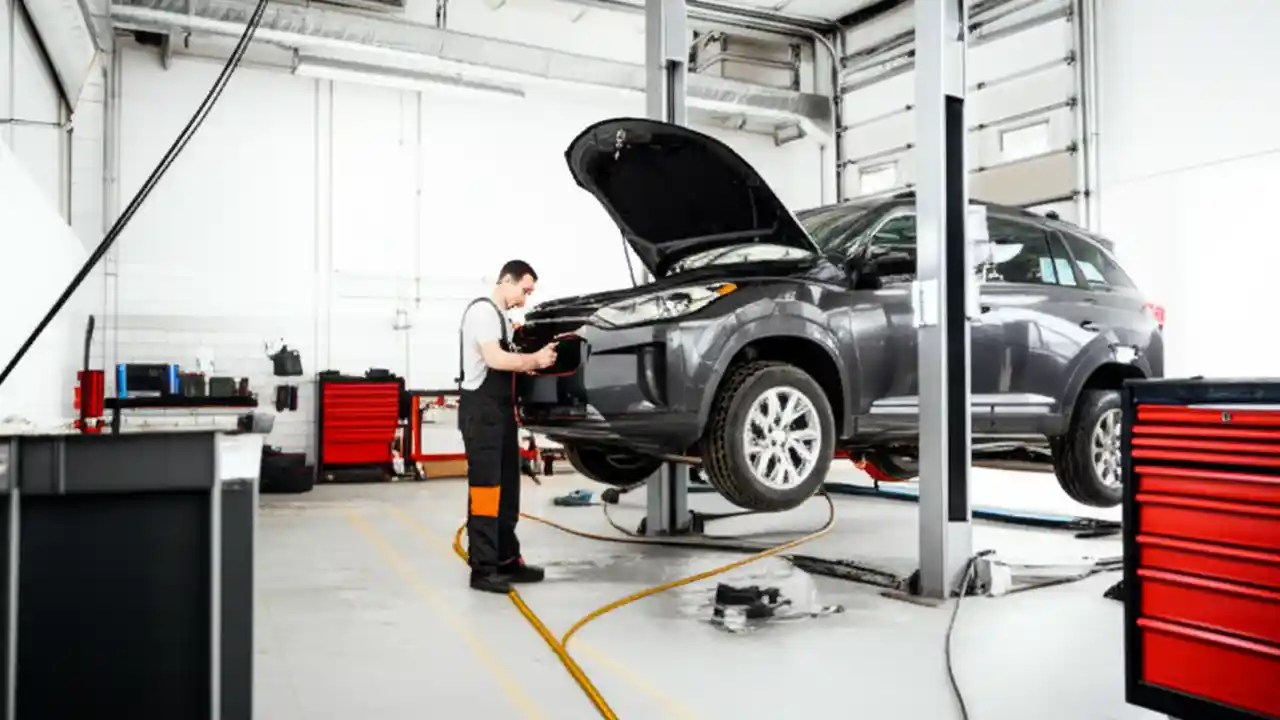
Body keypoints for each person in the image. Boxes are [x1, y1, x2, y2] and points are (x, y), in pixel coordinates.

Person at [456, 259, 558, 593]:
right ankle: (483, 570)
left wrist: (528, 361)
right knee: (486, 492)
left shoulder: (501, 318)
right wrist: (534, 360)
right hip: (482, 413)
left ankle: (506, 560)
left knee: (508, 491)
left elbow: (507, 360)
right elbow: (496, 360)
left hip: (500, 413)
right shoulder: (483, 312)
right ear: (506, 280)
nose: (525, 300)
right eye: (524, 291)